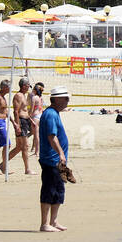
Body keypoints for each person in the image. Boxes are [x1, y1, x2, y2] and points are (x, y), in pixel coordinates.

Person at [38, 86, 71, 231]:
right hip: (51, 159)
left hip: (56, 160)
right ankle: (45, 223)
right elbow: (52, 136)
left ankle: (53, 221)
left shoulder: (54, 113)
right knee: (49, 190)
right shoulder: (50, 114)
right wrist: (61, 154)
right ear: (57, 99)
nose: (67, 101)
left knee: (59, 190)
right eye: (65, 99)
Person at [7, 79, 34, 175]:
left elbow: (25, 110)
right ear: (23, 86)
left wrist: (31, 121)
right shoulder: (18, 96)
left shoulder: (24, 95)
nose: (28, 88)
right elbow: (16, 111)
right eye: (28, 86)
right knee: (25, 146)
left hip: (25, 121)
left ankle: (3, 164)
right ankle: (27, 169)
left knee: (19, 147)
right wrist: (17, 125)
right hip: (21, 122)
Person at [30, 83, 45, 155]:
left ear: (35, 91)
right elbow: (41, 108)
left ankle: (37, 152)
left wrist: (29, 116)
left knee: (36, 136)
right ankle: (37, 151)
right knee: (38, 135)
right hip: (40, 115)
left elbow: (32, 109)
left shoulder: (34, 98)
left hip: (35, 116)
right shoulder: (41, 98)